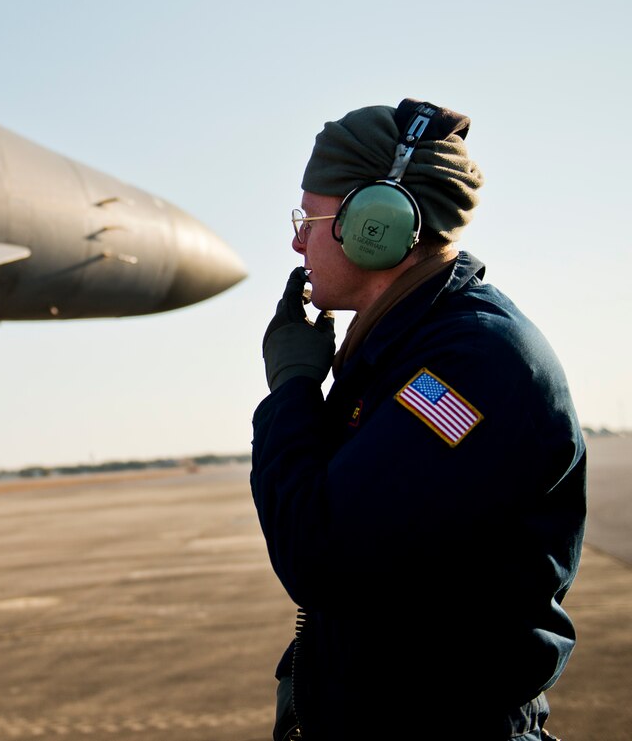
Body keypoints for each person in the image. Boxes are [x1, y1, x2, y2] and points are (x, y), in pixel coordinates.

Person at [250, 100, 586, 740]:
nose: (297, 241)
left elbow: (318, 555)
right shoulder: (401, 353)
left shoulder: (470, 365)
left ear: (374, 224)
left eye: (310, 218)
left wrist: (293, 391)